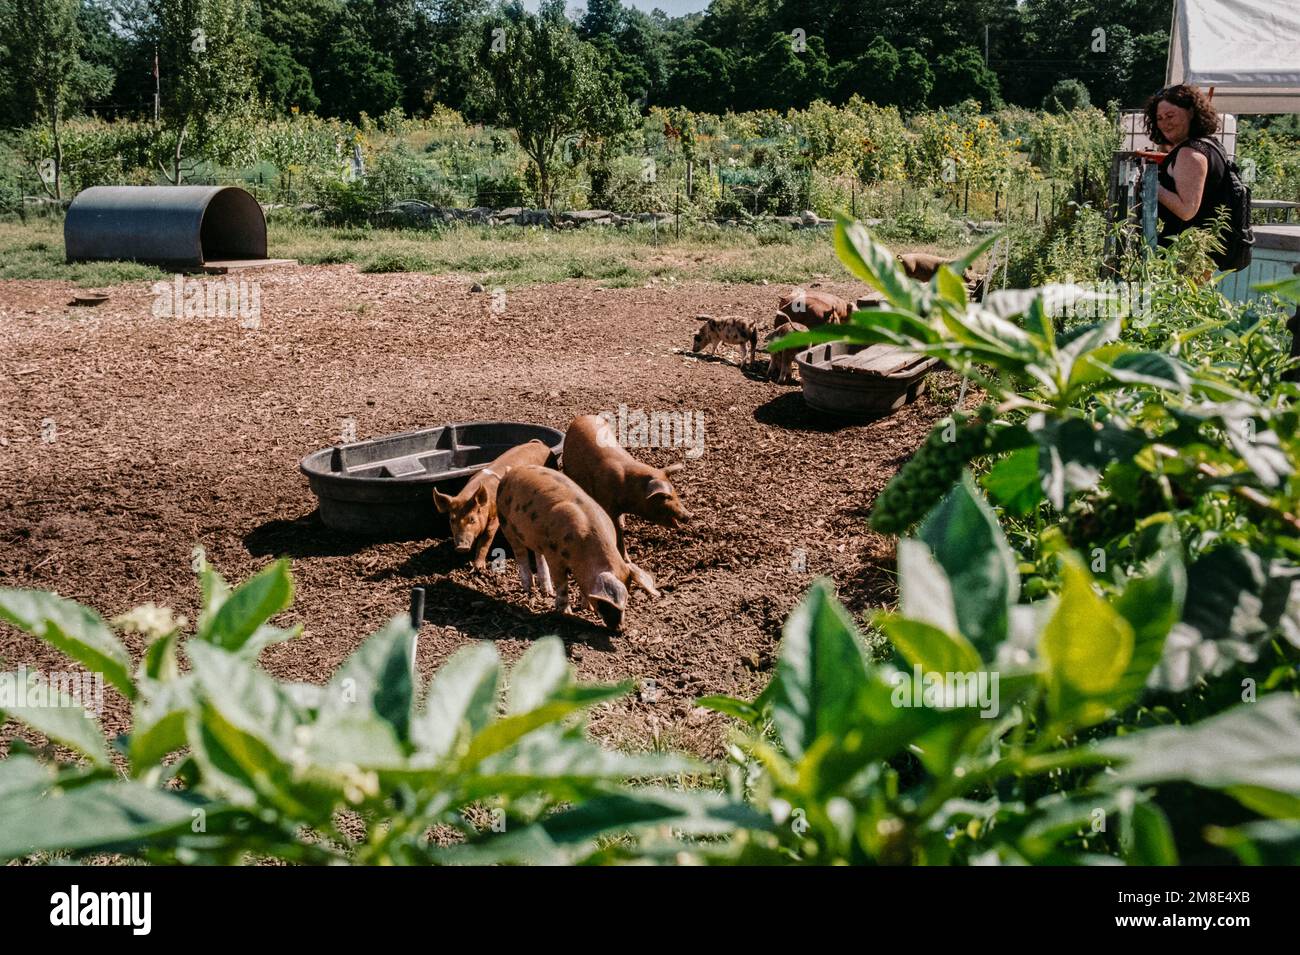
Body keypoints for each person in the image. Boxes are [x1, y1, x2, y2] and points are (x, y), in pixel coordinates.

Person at [1142, 84, 1228, 252]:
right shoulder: (1211, 145)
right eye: (1159, 118)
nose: (1165, 123)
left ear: (1190, 112)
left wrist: (1150, 183)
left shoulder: (1190, 154)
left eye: (1170, 115)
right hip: (1197, 251)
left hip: (1184, 253)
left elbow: (1187, 210)